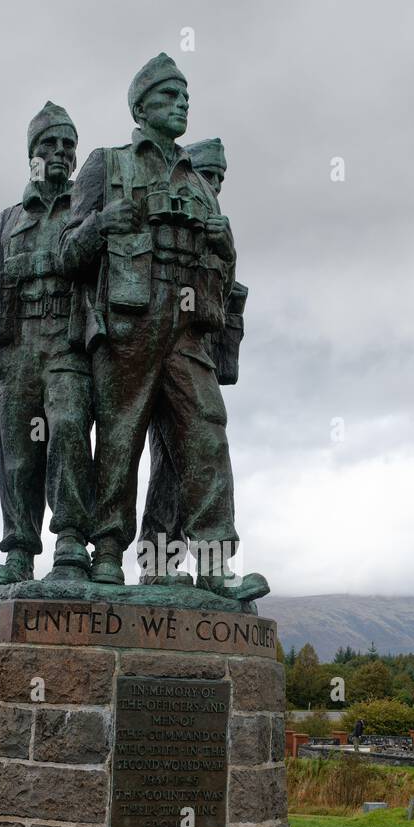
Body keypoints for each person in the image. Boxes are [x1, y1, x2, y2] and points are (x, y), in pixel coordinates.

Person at [58, 53, 267, 602]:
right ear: (140, 106)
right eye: (169, 97)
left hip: (188, 326)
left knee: (205, 433)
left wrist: (225, 242)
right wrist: (101, 226)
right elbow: (67, 253)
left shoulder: (198, 181)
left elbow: (225, 266)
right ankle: (106, 551)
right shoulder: (108, 163)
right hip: (131, 320)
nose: (181, 106)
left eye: (185, 98)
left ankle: (216, 562)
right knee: (120, 436)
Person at [0, 101, 94, 588]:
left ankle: (70, 541)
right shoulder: (8, 220)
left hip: (67, 342)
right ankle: (19, 551)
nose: (62, 152)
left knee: (68, 429)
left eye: (68, 144)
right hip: (17, 345)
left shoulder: (87, 208)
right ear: (32, 154)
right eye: (51, 144)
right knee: (19, 450)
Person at [138, 136, 248, 584]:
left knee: (196, 453)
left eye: (220, 178)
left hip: (193, 353)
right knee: (160, 463)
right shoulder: (168, 213)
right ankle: (153, 563)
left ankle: (184, 564)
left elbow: (222, 300)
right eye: (207, 175)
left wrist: (228, 252)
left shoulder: (217, 230)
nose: (214, 186)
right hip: (145, 341)